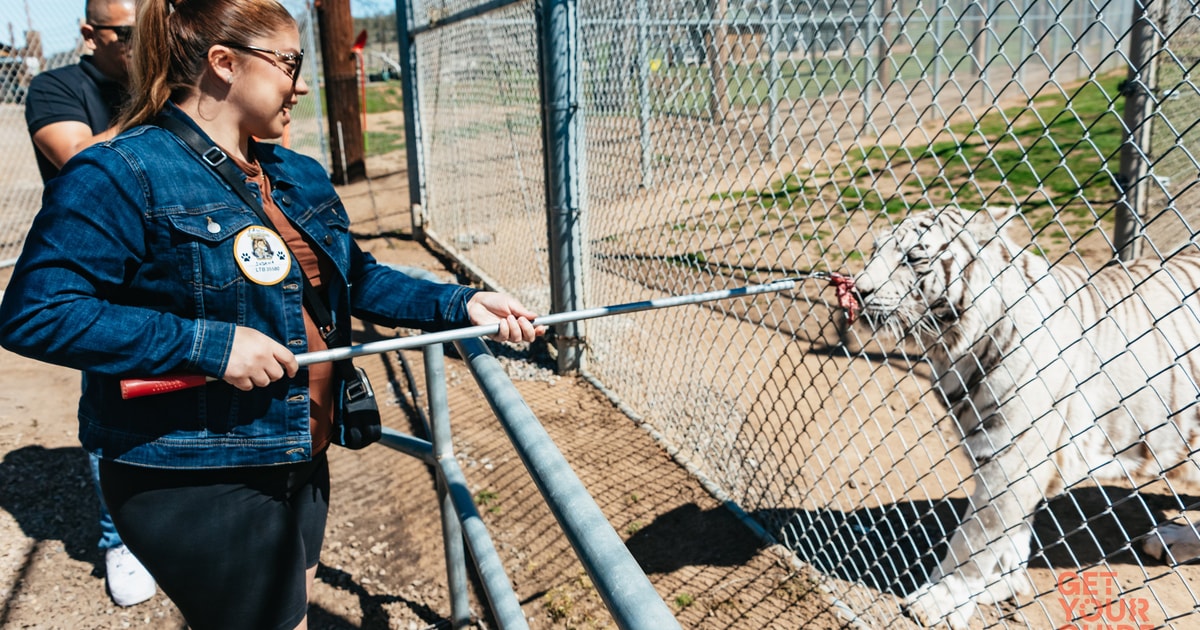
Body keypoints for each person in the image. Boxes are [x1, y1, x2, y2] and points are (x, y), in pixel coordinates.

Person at [0, 0, 544, 628]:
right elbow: (38, 311)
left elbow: (356, 277)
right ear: (224, 64)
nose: (304, 83)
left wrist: (457, 301)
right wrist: (209, 344)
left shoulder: (295, 173)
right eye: (290, 62)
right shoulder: (122, 172)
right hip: (194, 472)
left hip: (300, 450)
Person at [22, 0, 157, 608]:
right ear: (89, 34)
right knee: (113, 412)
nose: (140, 42)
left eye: (150, 30)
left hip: (173, 268)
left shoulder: (169, 80)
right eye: (127, 34)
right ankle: (119, 539)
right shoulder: (56, 88)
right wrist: (161, 101)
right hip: (100, 281)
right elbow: (79, 157)